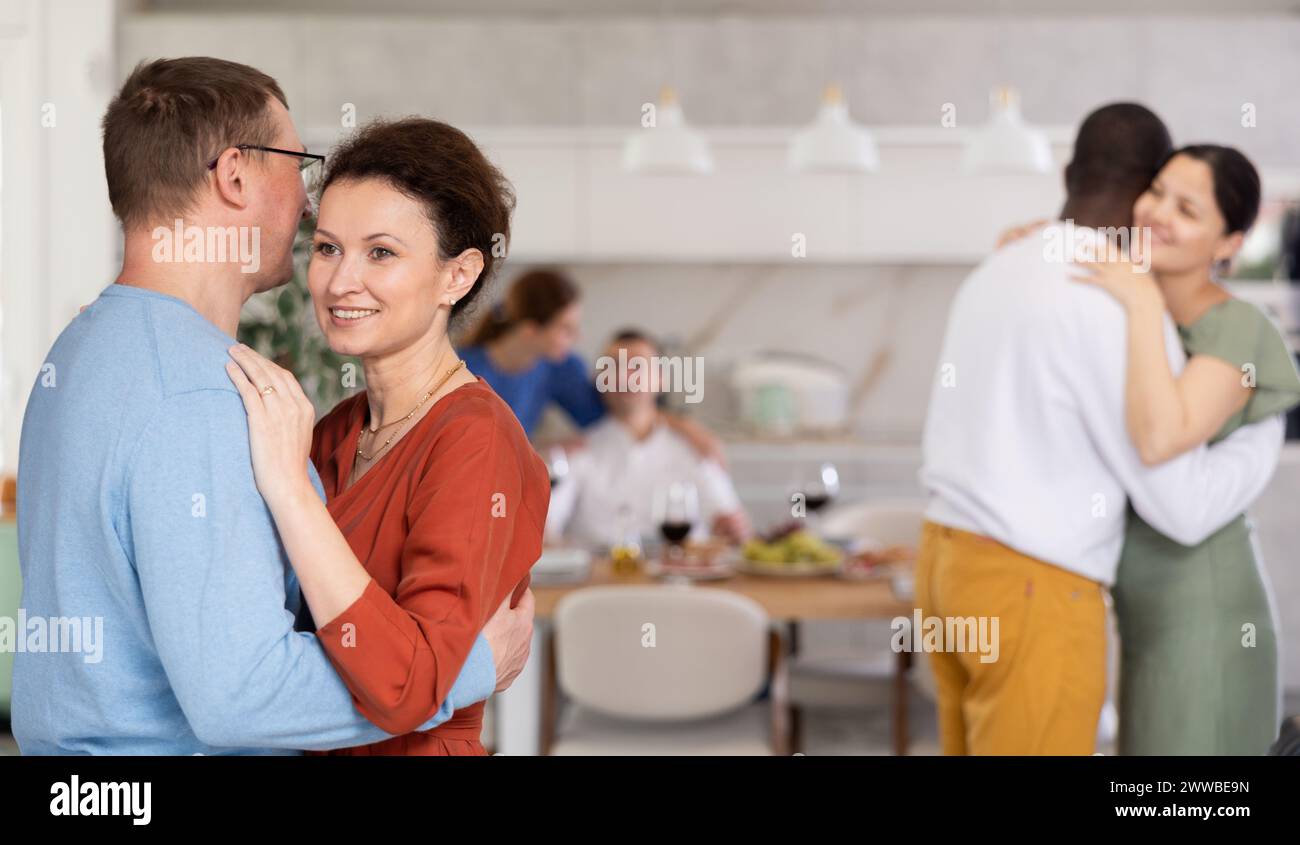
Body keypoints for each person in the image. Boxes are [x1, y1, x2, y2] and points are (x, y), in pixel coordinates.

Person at [13, 57, 532, 755]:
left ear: (458, 274)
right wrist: (467, 671)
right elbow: (245, 695)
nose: (307, 200)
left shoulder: (77, 353)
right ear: (234, 176)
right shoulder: (207, 396)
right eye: (297, 163)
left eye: (381, 251)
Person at [916, 103, 1285, 755]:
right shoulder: (1114, 303)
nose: (1162, 214)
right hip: (1033, 586)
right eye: (1161, 195)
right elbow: (1181, 502)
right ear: (1144, 189)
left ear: (1068, 172)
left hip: (945, 565)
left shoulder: (997, 267)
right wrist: (1266, 428)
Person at [226, 116, 550, 756]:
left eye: (381, 252)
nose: (341, 281)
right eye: (327, 247)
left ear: (457, 276)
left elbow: (406, 689)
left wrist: (290, 490)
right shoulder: (335, 431)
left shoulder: (475, 441)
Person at [1069, 144, 1300, 754]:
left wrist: (1143, 303)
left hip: (1206, 619)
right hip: (1143, 616)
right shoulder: (1127, 301)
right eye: (1158, 192)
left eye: (1188, 209)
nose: (1158, 213)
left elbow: (1160, 436)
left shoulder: (1239, 329)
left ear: (1228, 244)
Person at [457, 269, 725, 462]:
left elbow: (618, 412)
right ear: (530, 331)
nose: (577, 338)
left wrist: (688, 429)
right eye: (566, 329)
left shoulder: (561, 368)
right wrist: (534, 450)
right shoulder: (462, 369)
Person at [544, 330, 750, 548]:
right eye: (612, 367)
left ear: (661, 379)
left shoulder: (695, 447)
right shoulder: (578, 452)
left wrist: (732, 528)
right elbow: (546, 525)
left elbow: (731, 520)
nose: (624, 376)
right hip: (602, 577)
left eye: (637, 366)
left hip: (682, 576)